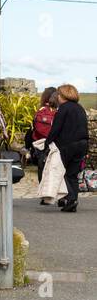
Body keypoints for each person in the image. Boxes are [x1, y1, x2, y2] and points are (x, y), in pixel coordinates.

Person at [44, 84, 90, 213]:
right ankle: (72, 200)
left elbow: (55, 129)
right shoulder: (80, 108)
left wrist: (47, 143)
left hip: (67, 146)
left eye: (58, 94)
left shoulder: (63, 109)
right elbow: (85, 129)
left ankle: (69, 199)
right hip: (82, 144)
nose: (57, 97)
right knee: (73, 174)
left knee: (64, 173)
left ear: (62, 96)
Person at [24, 87, 58, 183]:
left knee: (41, 168)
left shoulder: (40, 110)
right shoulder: (58, 111)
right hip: (53, 144)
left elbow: (33, 127)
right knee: (54, 169)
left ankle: (43, 193)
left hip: (39, 144)